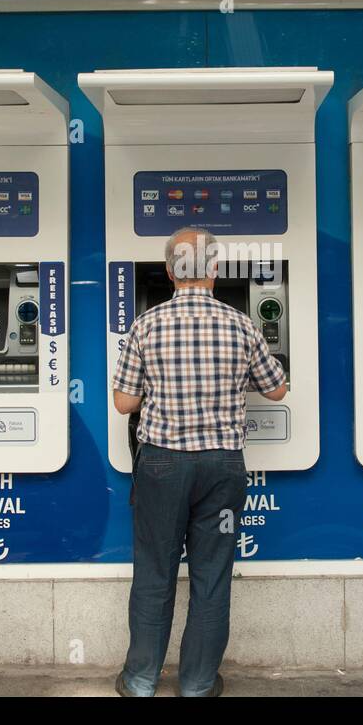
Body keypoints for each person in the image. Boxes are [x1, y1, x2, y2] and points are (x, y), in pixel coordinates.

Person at [111, 227, 287, 697]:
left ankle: (142, 680)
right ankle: (197, 684)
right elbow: (276, 389)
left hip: (162, 465)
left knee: (154, 572)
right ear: (214, 270)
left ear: (170, 270)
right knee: (212, 575)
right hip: (221, 469)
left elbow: (124, 404)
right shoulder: (241, 324)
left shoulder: (146, 325)